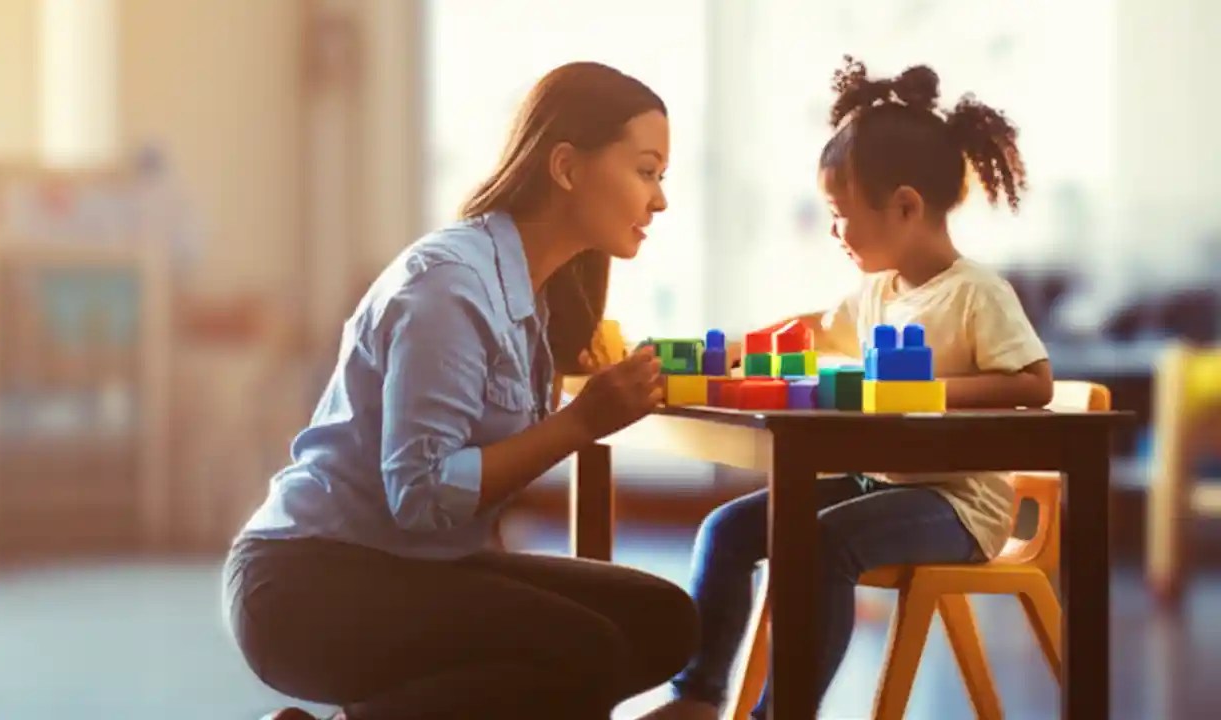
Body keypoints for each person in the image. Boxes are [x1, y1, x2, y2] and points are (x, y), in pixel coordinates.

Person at [223, 61, 699, 720]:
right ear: (566, 168)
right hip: (306, 583)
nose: (660, 200)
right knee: (585, 651)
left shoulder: (537, 292)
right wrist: (582, 422)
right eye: (646, 172)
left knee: (663, 621)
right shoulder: (449, 286)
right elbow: (420, 496)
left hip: (417, 565)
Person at [641, 56, 1054, 719]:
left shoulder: (977, 292)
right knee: (729, 529)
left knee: (824, 542)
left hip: (958, 503)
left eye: (841, 214)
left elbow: (1033, 383)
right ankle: (696, 698)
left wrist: (925, 391)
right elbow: (808, 330)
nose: (834, 231)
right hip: (877, 482)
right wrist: (724, 354)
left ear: (906, 207)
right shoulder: (877, 293)